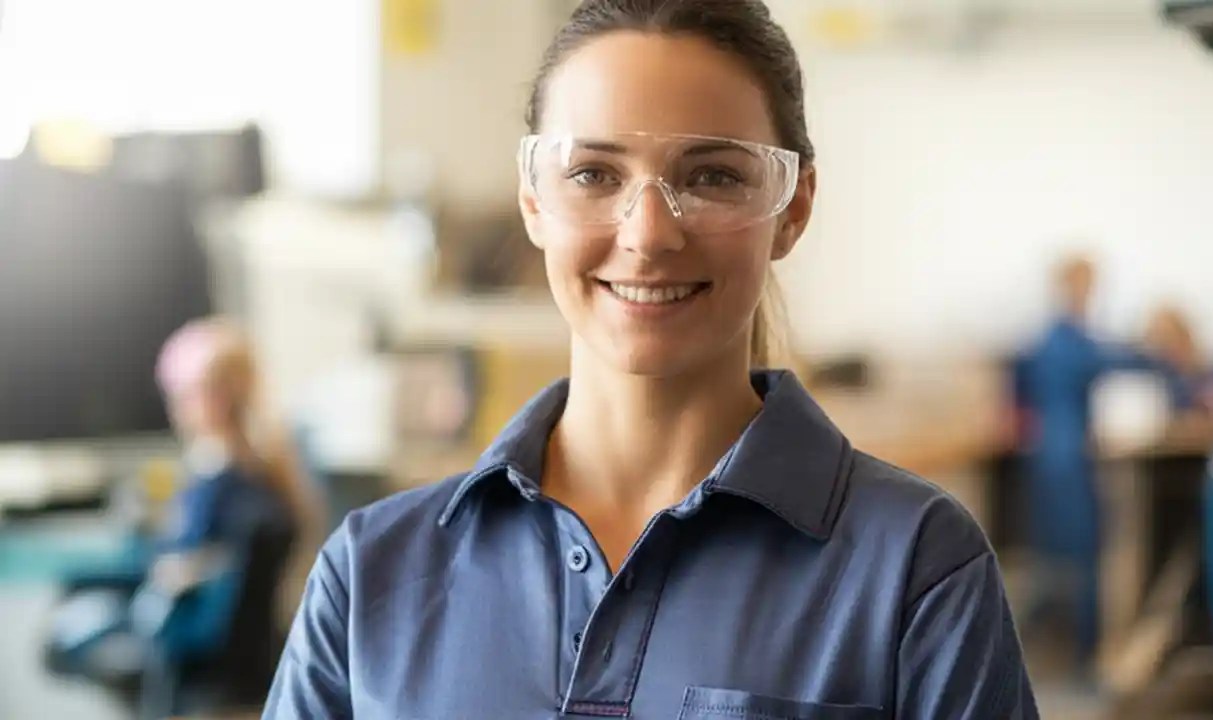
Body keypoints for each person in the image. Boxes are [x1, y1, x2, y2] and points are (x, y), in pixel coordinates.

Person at [266, 2, 1037, 717]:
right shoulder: (371, 576)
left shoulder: (914, 569)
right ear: (535, 200)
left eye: (712, 176)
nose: (648, 233)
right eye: (594, 174)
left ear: (794, 208)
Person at [47, 317, 307, 708]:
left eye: (182, 395)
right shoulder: (268, 477)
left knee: (72, 623)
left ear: (214, 398)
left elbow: (185, 567)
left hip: (202, 662)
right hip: (253, 665)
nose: (175, 409)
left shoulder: (222, 484)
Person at [1014, 255, 1151, 675]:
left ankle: (1059, 653)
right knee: (1082, 559)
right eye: (1087, 285)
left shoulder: (1047, 342)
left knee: (1053, 560)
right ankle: (1084, 662)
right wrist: (1157, 350)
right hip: (1067, 459)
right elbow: (1117, 359)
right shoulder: (1068, 342)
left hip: (1048, 458)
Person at [1143, 304, 1213, 450]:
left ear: (1186, 336)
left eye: (1167, 340)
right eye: (1158, 345)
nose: (1164, 351)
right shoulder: (1172, 385)